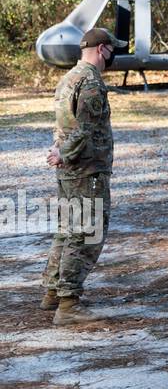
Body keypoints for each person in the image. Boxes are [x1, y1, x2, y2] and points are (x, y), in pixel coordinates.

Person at [42, 28, 123, 325]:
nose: (113, 55)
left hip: (70, 168)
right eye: (112, 49)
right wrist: (65, 152)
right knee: (87, 231)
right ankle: (69, 304)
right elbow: (85, 128)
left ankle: (53, 292)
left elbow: (63, 123)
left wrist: (59, 149)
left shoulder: (69, 77)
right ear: (101, 49)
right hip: (86, 168)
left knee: (67, 229)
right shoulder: (90, 81)